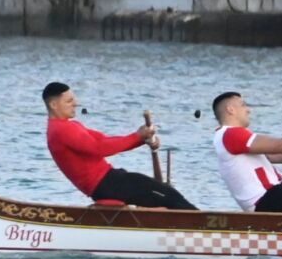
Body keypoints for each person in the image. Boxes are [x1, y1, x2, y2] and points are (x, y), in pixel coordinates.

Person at [43, 81, 197, 209]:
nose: (75, 104)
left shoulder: (68, 126)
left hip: (110, 181)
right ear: (54, 105)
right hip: (107, 185)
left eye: (74, 100)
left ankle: (194, 222)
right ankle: (203, 225)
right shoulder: (62, 129)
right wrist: (137, 136)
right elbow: (99, 148)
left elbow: (105, 140)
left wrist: (142, 139)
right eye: (69, 101)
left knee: (165, 193)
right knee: (166, 195)